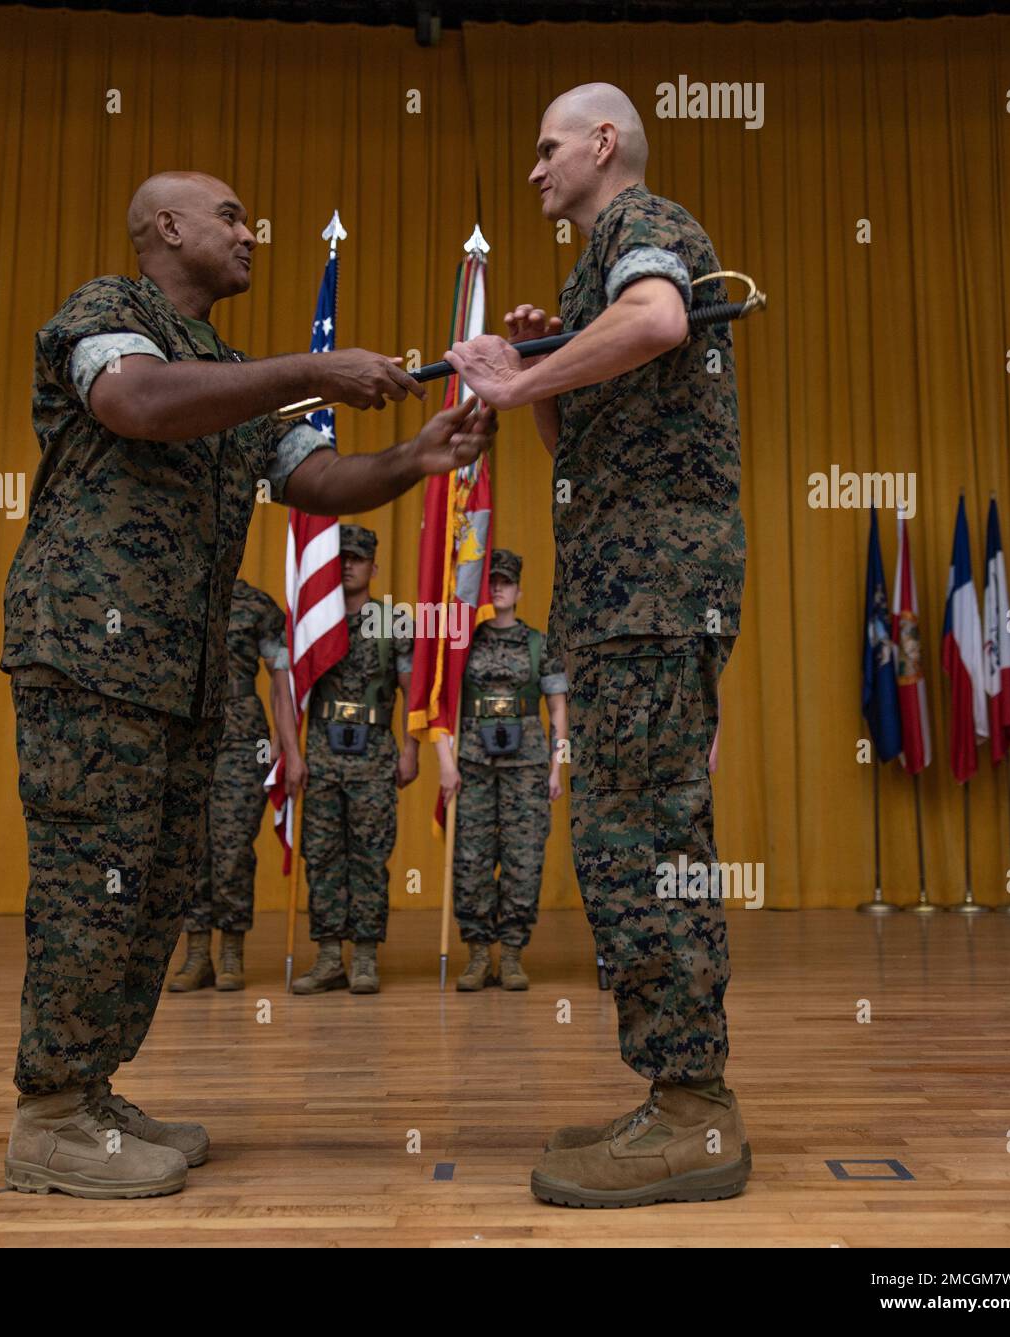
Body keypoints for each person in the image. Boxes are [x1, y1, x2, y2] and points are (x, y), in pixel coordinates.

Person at [1, 170, 496, 1199]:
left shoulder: (230, 368)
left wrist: (415, 454)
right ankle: (47, 1114)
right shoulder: (108, 312)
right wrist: (312, 366)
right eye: (230, 216)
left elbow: (316, 481)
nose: (251, 232)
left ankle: (89, 1090)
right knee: (89, 881)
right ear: (164, 227)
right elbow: (134, 401)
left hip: (182, 670)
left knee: (147, 887)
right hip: (89, 655)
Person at [445, 83, 749, 1209]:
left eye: (546, 147)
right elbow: (582, 428)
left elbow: (662, 321)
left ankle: (693, 1111)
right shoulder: (592, 269)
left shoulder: (642, 224)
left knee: (648, 832)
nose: (534, 170)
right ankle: (673, 1094)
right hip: (623, 590)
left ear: (603, 144)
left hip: (657, 588)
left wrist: (524, 369)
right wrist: (541, 374)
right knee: (623, 835)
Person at [433, 549, 567, 991]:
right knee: (470, 860)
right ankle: (476, 955)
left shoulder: (539, 644)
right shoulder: (462, 642)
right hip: (472, 765)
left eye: (506, 582)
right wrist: (447, 764)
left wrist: (556, 767)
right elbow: (441, 704)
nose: (498, 588)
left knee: (523, 861)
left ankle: (510, 954)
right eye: (492, 582)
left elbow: (558, 708)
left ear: (519, 590)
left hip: (527, 768)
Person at [291, 525, 416, 996]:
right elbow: (293, 689)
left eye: (358, 558)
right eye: (342, 557)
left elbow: (409, 690)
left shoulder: (394, 619)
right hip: (322, 753)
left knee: (369, 854)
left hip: (374, 753)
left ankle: (364, 955)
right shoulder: (315, 619)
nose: (348, 565)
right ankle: (327, 957)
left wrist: (410, 749)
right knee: (321, 856)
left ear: (373, 567)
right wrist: (292, 752)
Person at [169, 577, 301, 993]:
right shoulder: (176, 592)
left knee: (232, 849)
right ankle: (196, 955)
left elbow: (282, 682)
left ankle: (231, 951)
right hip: (185, 738)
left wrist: (284, 746)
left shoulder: (255, 603)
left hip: (245, 741)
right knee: (190, 850)